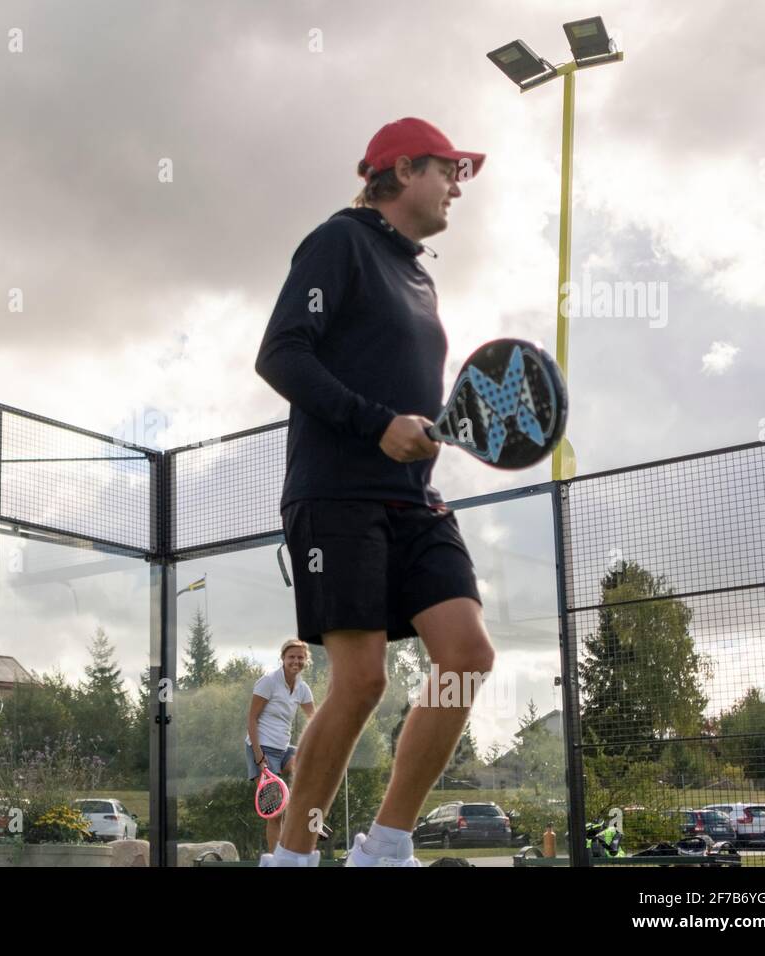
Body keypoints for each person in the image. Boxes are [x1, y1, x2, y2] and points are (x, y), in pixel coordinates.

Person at [253, 117, 494, 867]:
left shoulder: (419, 273)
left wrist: (419, 430)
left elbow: (403, 387)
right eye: (448, 168)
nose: (459, 183)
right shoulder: (340, 241)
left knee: (466, 655)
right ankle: (291, 857)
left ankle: (384, 845)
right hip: (337, 495)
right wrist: (374, 422)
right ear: (400, 168)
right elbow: (280, 353)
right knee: (359, 682)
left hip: (413, 499)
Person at [245, 639, 316, 855]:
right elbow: (251, 719)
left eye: (300, 657)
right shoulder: (268, 682)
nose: (296, 661)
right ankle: (278, 861)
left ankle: (304, 813)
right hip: (261, 748)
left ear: (306, 660)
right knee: (275, 814)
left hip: (283, 749)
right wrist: (259, 757)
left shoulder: (303, 688)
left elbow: (315, 721)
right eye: (291, 657)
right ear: (283, 658)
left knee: (309, 772)